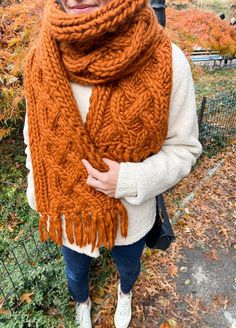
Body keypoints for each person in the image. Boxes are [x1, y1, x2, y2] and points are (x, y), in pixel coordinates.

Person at [23, 0, 203, 327]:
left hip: (130, 215)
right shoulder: (41, 57)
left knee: (129, 268)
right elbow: (32, 134)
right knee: (75, 273)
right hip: (68, 213)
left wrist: (130, 179)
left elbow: (184, 149)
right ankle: (83, 302)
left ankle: (125, 293)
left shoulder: (167, 60)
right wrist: (37, 184)